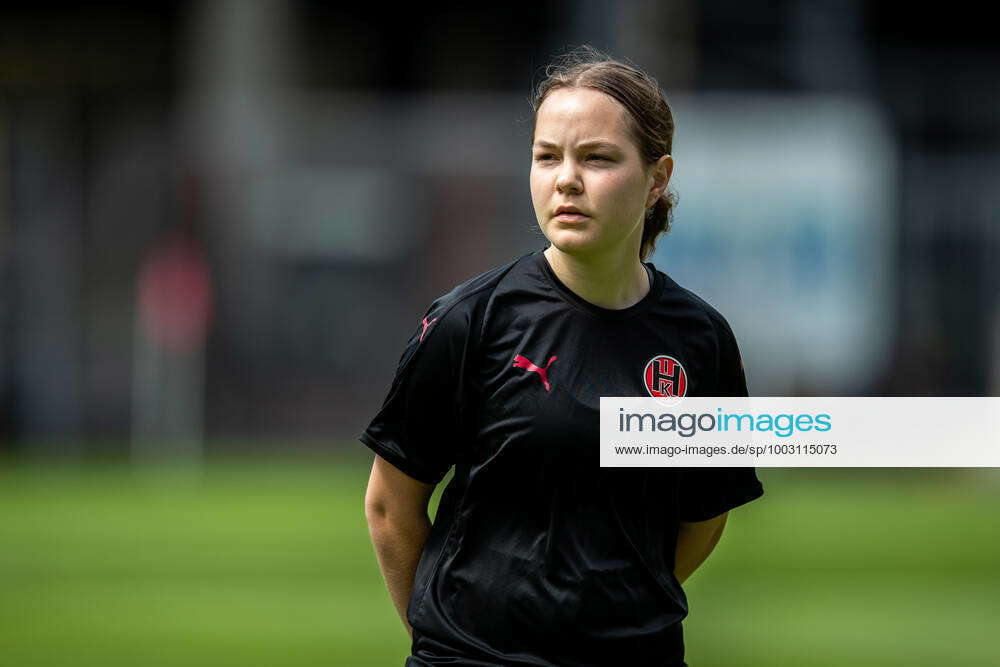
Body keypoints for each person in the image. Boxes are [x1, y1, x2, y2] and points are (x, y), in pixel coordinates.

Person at [361, 45, 764, 667]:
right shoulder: (472, 319)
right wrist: (446, 640)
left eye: (597, 158)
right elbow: (391, 502)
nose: (566, 179)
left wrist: (614, 620)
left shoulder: (701, 340)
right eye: (547, 157)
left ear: (658, 179)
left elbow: (704, 515)